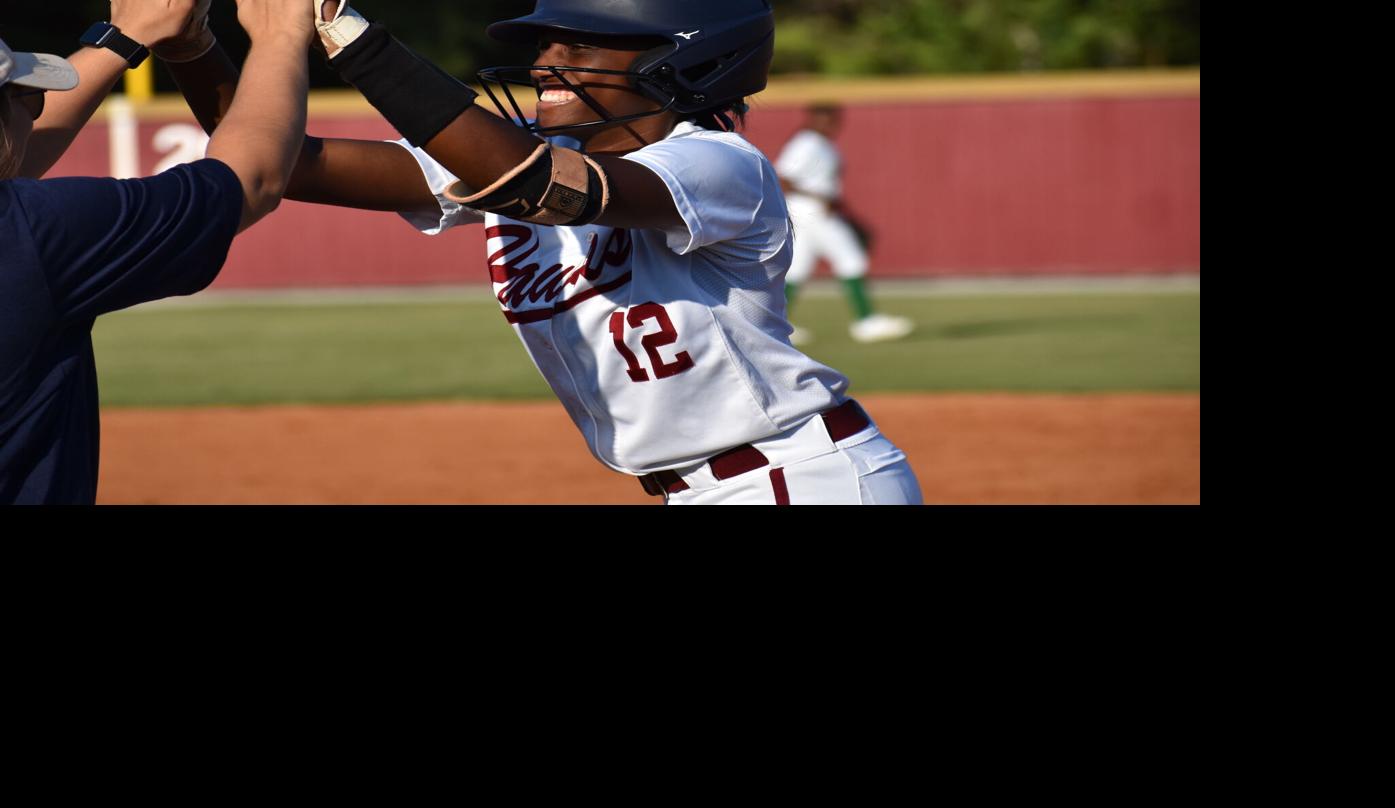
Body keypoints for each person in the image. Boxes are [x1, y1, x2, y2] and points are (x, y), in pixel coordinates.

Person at [166, 0, 923, 505]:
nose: (544, 62)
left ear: (680, 62)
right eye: (547, 43)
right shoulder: (528, 146)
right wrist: (193, 43)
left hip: (797, 478)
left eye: (579, 43)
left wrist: (347, 33)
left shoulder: (718, 164)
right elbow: (286, 163)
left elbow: (537, 187)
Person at [1, 0, 315, 505]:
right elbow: (251, 180)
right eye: (27, 98)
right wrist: (280, 34)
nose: (34, 112)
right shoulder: (35, 231)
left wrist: (129, 34)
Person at [775, 102, 913, 346]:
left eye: (833, 118)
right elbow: (783, 178)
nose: (830, 123)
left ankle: (775, 324)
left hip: (812, 210)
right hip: (812, 211)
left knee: (797, 268)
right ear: (813, 118)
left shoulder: (819, 143)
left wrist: (852, 218)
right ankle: (867, 321)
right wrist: (816, 197)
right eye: (824, 118)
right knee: (851, 258)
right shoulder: (806, 143)